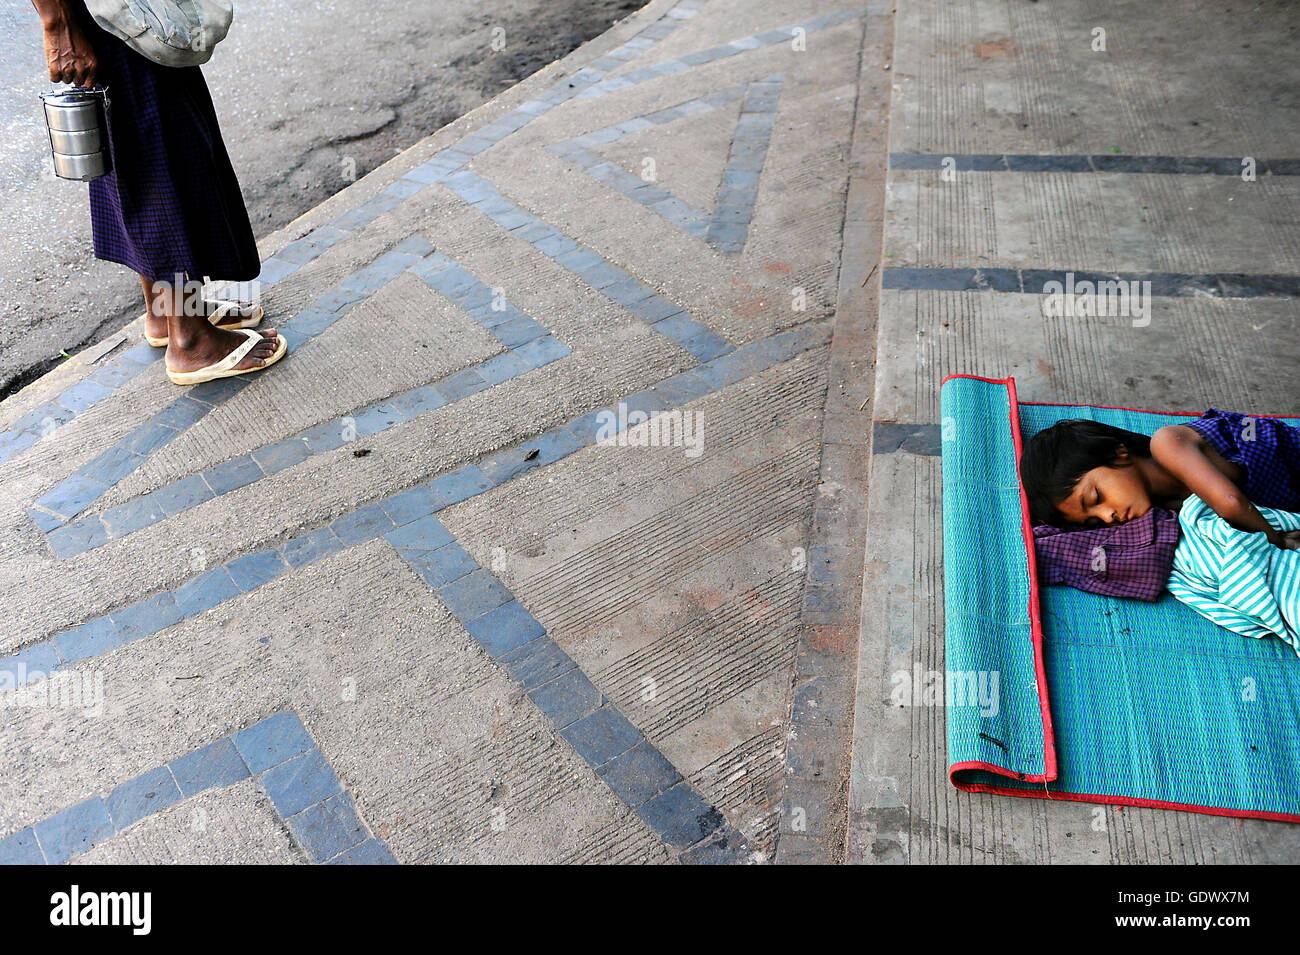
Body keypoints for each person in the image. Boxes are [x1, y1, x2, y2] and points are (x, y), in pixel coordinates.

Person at [33, 0, 286, 384]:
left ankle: (165, 311)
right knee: (163, 168)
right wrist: (58, 24)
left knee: (135, 154)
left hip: (115, 13)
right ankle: (190, 338)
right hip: (108, 19)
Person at [1021, 410, 1300, 551]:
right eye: (1094, 521)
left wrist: (1278, 543)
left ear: (1118, 453)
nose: (1108, 516)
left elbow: (1231, 503)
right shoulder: (1167, 507)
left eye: (1096, 498)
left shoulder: (1167, 443)